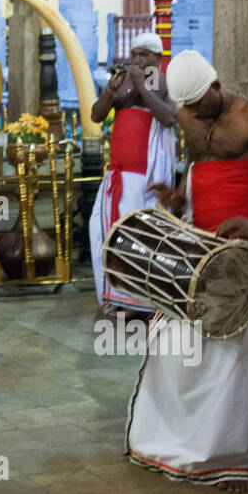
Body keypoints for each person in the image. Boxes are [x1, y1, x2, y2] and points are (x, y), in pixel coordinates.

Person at [126, 50, 248, 493]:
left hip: (244, 250)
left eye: (198, 105)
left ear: (215, 84)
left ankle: (233, 458)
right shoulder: (187, 110)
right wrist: (177, 197)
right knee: (174, 345)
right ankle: (176, 441)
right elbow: (200, 165)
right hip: (197, 244)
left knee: (236, 357)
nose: (191, 114)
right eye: (186, 108)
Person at [88, 33, 178, 314]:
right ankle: (116, 298)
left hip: (146, 176)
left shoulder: (165, 84)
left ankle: (144, 303)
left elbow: (169, 117)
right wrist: (110, 93)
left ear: (158, 59)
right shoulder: (122, 82)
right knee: (102, 232)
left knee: (143, 239)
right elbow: (96, 116)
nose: (137, 60)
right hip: (118, 175)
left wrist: (142, 87)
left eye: (144, 55)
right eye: (134, 54)